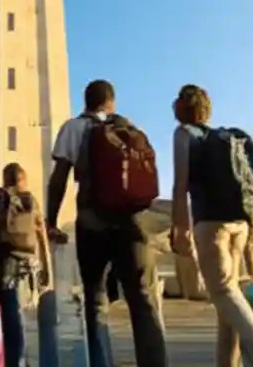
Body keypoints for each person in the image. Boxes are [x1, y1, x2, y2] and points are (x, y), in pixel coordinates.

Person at [46, 79, 168, 367]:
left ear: (86, 101)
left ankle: (101, 361)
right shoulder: (129, 128)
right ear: (111, 102)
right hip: (132, 224)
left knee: (95, 300)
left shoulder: (73, 128)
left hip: (93, 223)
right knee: (142, 299)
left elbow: (59, 178)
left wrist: (51, 220)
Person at [169, 84, 253, 367]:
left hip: (211, 225)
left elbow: (180, 185)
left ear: (182, 108)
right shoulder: (227, 137)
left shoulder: (184, 133)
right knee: (227, 304)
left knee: (223, 292)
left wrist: (181, 228)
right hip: (239, 225)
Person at [0, 162, 52, 367]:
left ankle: (15, 361)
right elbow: (42, 238)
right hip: (29, 266)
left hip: (2, 264)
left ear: (5, 178)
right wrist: (47, 270)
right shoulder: (31, 201)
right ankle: (20, 359)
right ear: (23, 179)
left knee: (10, 316)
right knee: (17, 313)